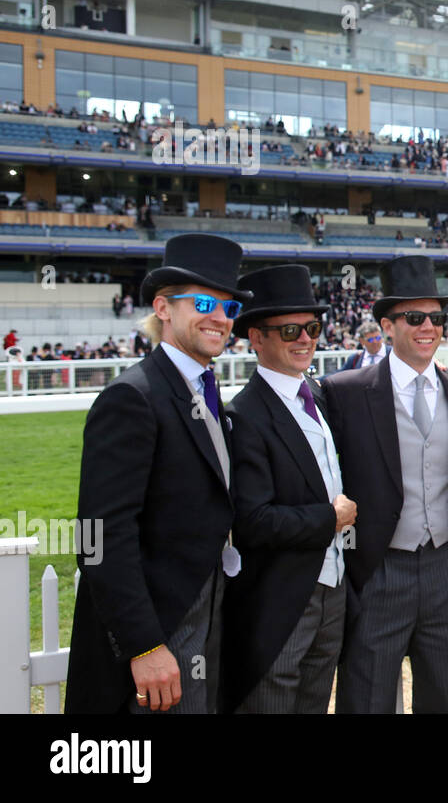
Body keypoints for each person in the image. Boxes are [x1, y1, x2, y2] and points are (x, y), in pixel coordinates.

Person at [66, 234, 250, 713]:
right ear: (163, 308)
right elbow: (96, 535)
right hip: (156, 634)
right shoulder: (133, 397)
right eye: (205, 303)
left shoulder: (209, 395)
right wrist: (143, 644)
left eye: (229, 309)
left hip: (205, 617)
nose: (219, 318)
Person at [322, 256, 448, 713]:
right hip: (378, 569)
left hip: (447, 566)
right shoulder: (345, 391)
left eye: (436, 318)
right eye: (414, 318)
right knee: (368, 700)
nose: (428, 327)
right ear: (387, 325)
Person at [222, 265, 356, 713]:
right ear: (256, 338)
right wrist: (329, 519)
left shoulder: (316, 394)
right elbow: (252, 520)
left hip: (332, 587)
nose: (305, 339)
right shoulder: (245, 415)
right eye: (290, 330)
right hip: (281, 594)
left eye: (313, 328)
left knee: (314, 703)